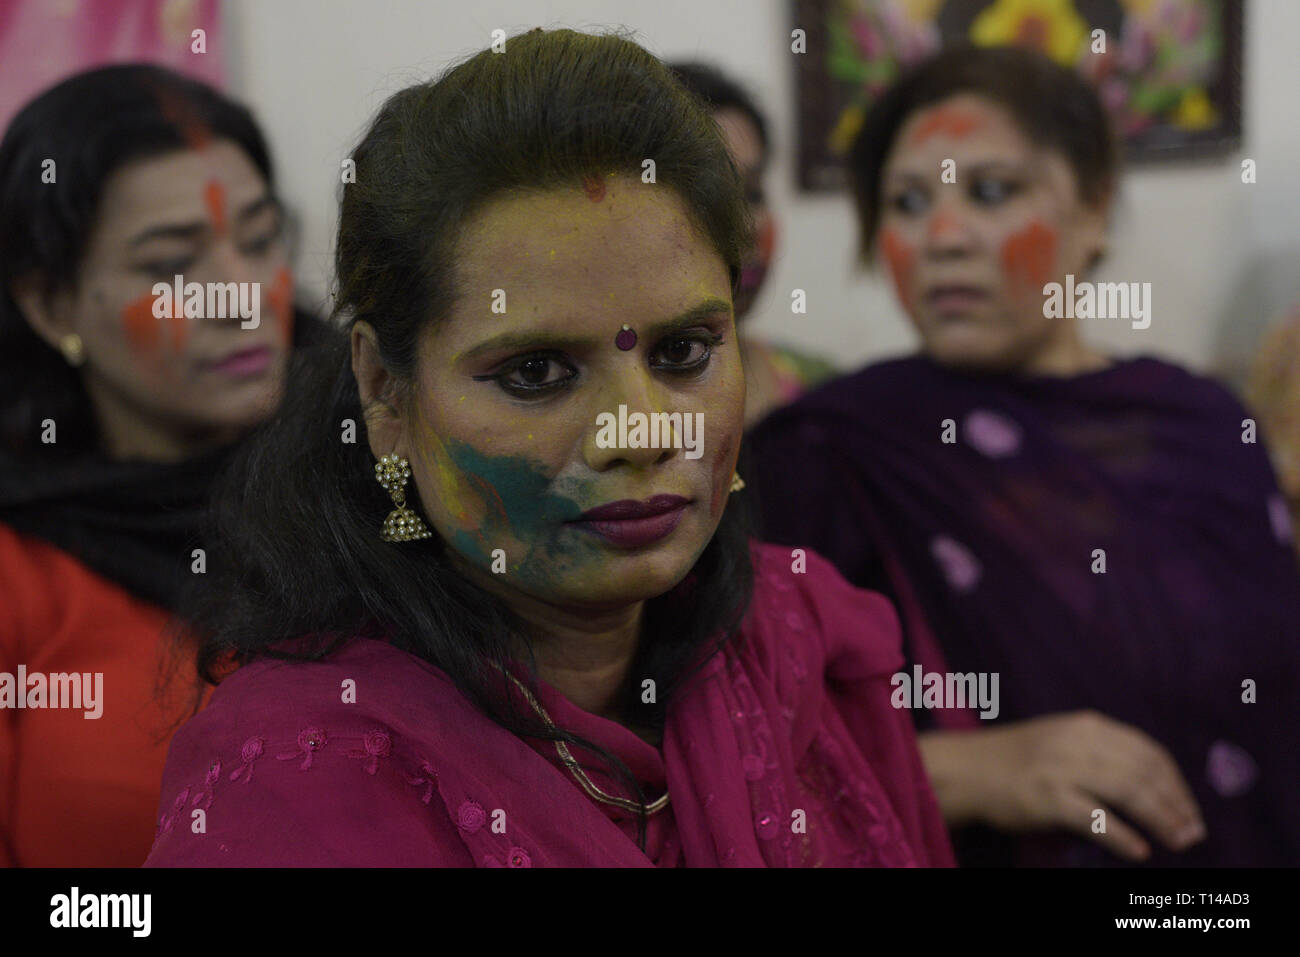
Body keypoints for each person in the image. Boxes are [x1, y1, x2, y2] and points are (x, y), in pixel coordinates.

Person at [142, 28, 954, 868]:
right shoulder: (295, 786)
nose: (641, 431)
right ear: (385, 390)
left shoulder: (806, 647)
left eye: (684, 354)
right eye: (536, 371)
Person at [747, 44, 1300, 867]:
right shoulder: (826, 452)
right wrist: (967, 770)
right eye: (904, 201)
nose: (943, 236)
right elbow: (740, 749)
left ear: (1093, 209)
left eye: (993, 191)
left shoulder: (1210, 426)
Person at [0, 64, 321, 866]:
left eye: (258, 239)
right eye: (173, 266)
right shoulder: (21, 569)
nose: (242, 294)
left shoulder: (378, 492)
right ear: (53, 304)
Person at [668, 62, 838, 427]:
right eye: (704, 195)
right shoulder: (612, 425)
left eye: (753, 193)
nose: (743, 227)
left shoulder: (825, 394)